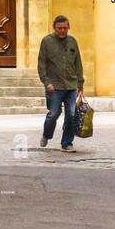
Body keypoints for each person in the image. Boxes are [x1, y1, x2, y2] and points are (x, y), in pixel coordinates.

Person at [37, 15, 84, 152]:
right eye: (59, 28)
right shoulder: (46, 41)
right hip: (54, 86)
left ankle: (67, 143)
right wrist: (46, 82)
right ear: (54, 28)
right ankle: (47, 134)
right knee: (53, 114)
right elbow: (41, 64)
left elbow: (78, 63)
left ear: (68, 27)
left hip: (70, 85)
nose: (62, 31)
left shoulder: (72, 41)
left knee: (71, 114)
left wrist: (80, 84)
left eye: (65, 28)